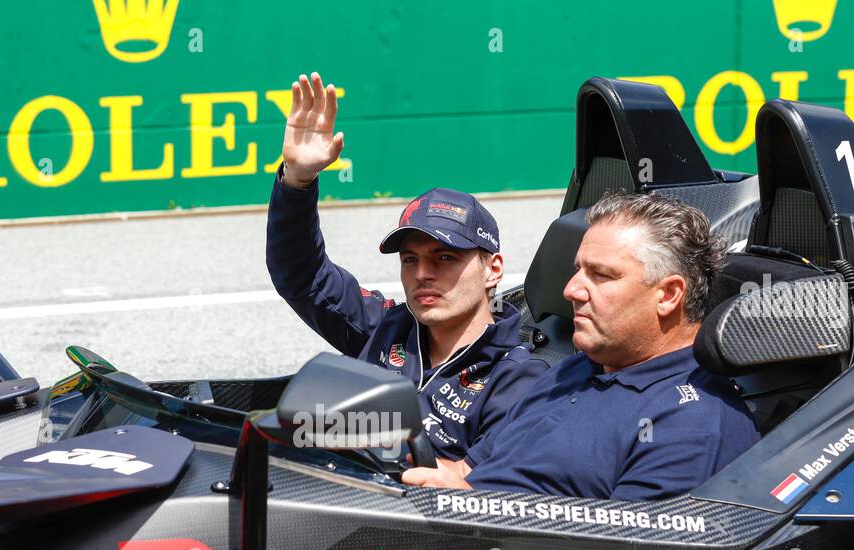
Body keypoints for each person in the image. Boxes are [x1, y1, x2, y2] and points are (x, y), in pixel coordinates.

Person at [402, 191, 760, 501]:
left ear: (668, 295)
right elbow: (467, 470)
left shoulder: (693, 424)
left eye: (601, 275)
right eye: (577, 270)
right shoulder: (575, 368)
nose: (571, 290)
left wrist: (468, 504)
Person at [267, 72, 548, 459]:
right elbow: (302, 276)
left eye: (445, 258)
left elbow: (487, 491)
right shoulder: (384, 326)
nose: (422, 274)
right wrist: (298, 180)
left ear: (494, 269)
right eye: (410, 259)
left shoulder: (516, 378)